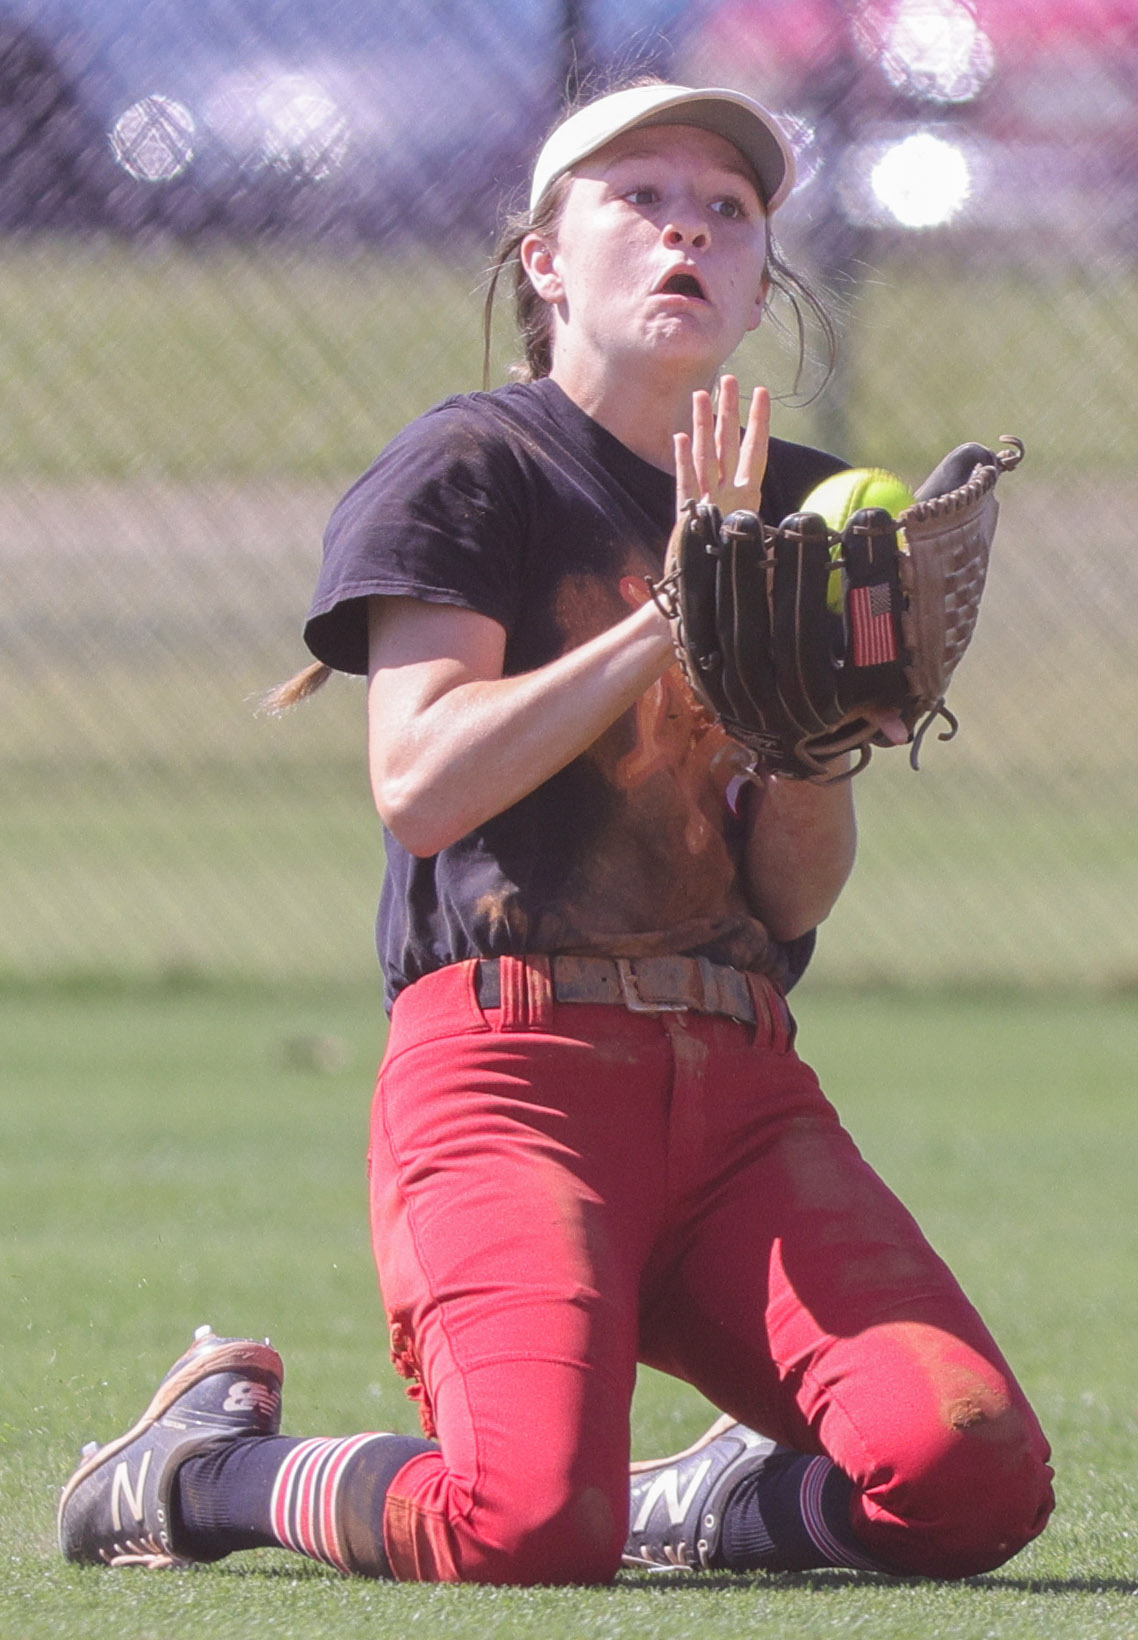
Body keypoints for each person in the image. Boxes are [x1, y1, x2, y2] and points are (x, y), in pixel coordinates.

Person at [59, 77, 1053, 1586]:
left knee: (965, 1478)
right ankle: (208, 1469)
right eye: (641, 198)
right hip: (509, 1082)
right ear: (544, 259)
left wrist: (818, 749)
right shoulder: (476, 470)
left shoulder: (801, 514)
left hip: (735, 1092)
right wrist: (673, 608)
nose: (689, 233)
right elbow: (424, 781)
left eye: (727, 212)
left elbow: (789, 903)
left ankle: (702, 1506)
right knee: (522, 1526)